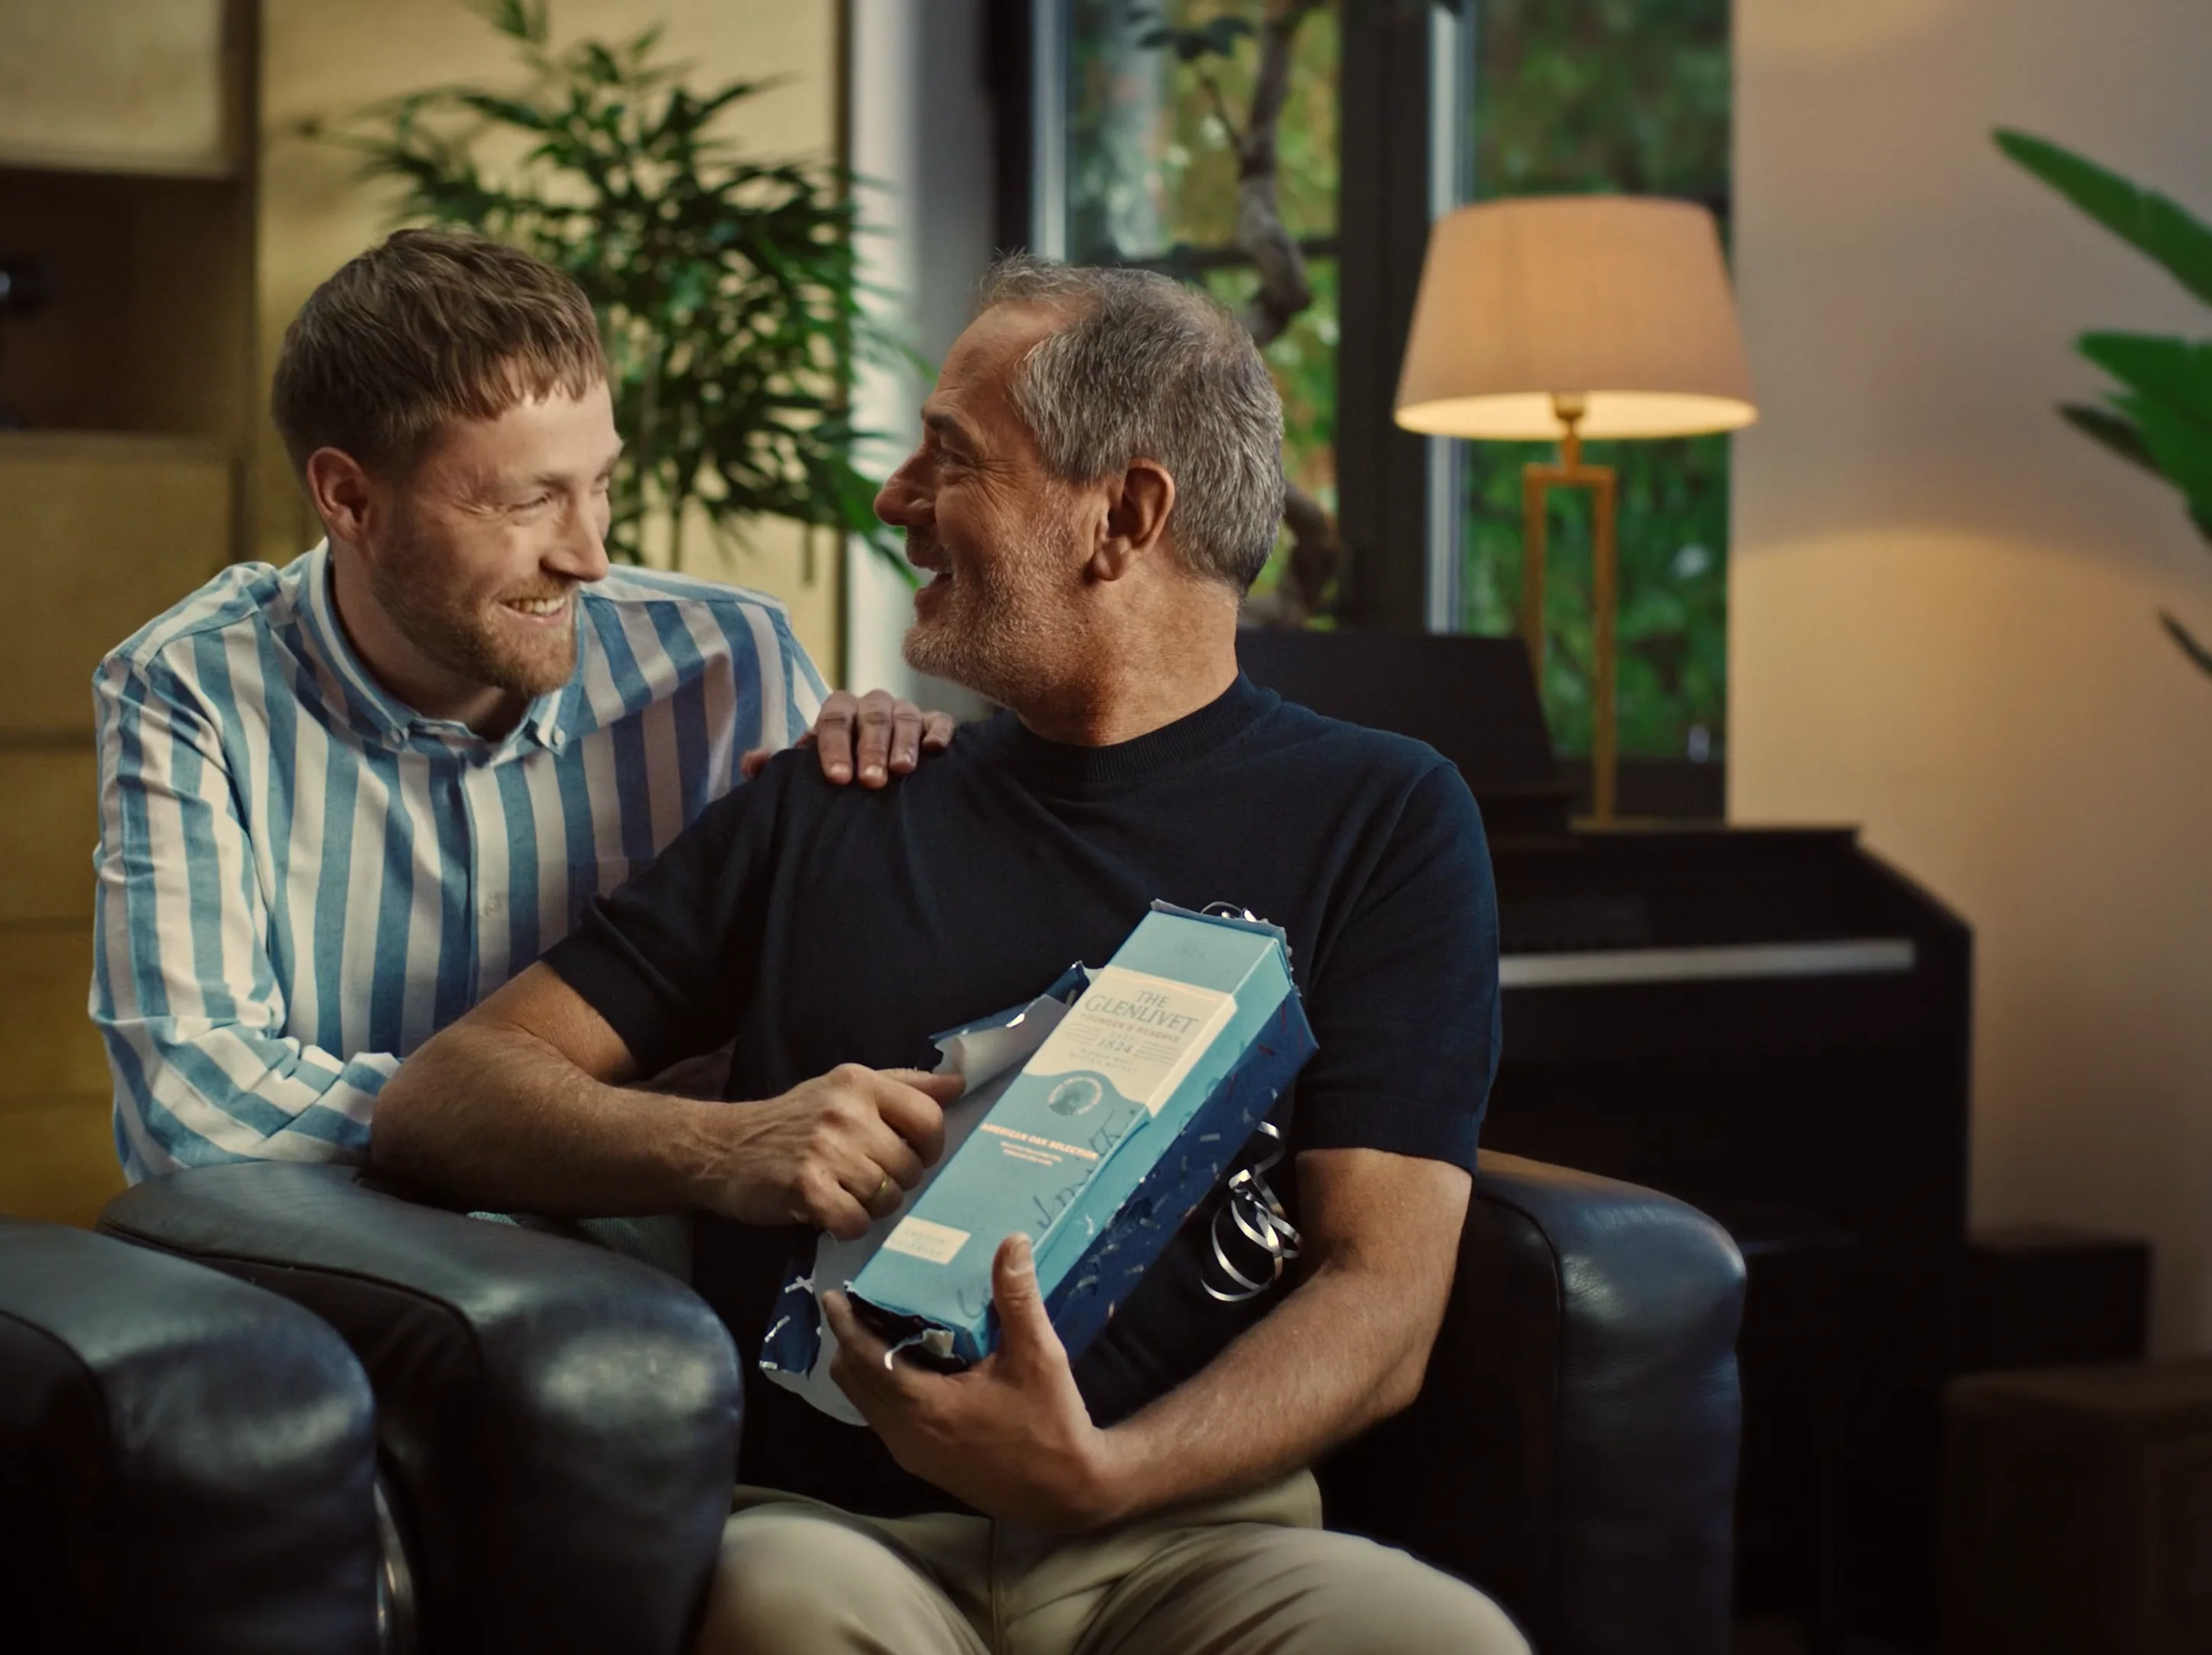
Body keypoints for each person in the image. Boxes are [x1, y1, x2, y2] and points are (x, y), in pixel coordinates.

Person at [368, 254, 1528, 1653]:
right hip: (838, 1539)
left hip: (1195, 1540)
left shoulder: (1386, 817)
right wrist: (724, 1148)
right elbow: (446, 1096)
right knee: (787, 1615)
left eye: (952, 457)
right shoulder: (839, 799)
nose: (894, 498)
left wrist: (1108, 1475)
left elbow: (1383, 1294)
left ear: (1125, 516)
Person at [93, 228, 948, 1178]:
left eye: (600, 486)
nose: (590, 555)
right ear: (349, 498)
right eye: (527, 501)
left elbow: (839, 1028)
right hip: (336, 1258)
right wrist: (596, 1133)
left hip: (663, 1252)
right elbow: (195, 1113)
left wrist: (911, 799)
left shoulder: (730, 665)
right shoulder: (193, 686)